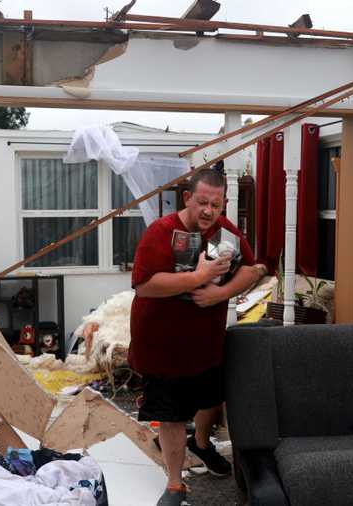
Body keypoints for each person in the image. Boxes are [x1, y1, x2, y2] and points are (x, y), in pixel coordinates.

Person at [128, 168, 261, 506]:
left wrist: (222, 293)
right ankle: (175, 484)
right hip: (163, 348)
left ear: (223, 204)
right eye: (202, 202)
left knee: (209, 401)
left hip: (205, 346)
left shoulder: (223, 233)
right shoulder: (160, 232)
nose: (208, 211)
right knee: (172, 415)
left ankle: (201, 444)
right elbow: (145, 284)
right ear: (187, 198)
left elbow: (251, 268)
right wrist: (197, 277)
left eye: (215, 205)